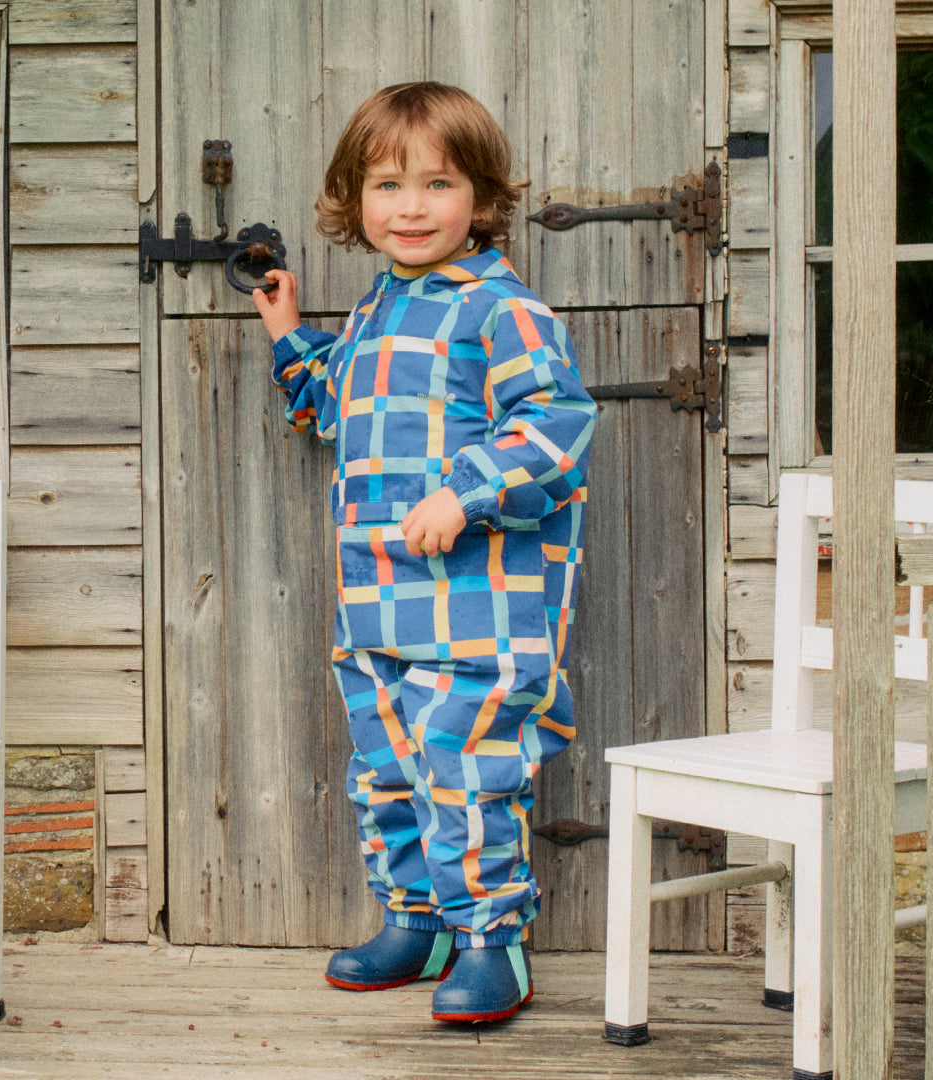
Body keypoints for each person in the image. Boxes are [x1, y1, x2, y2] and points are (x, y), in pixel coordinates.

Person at [252, 81, 595, 1024]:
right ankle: (418, 919)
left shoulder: (503, 311)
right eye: (388, 186)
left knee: (465, 771)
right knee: (388, 773)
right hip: (375, 608)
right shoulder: (375, 312)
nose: (410, 207)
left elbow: (558, 424)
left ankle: (492, 942)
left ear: (480, 199)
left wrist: (465, 488)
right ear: (355, 203)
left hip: (477, 614)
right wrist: (287, 331)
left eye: (437, 184)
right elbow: (332, 400)